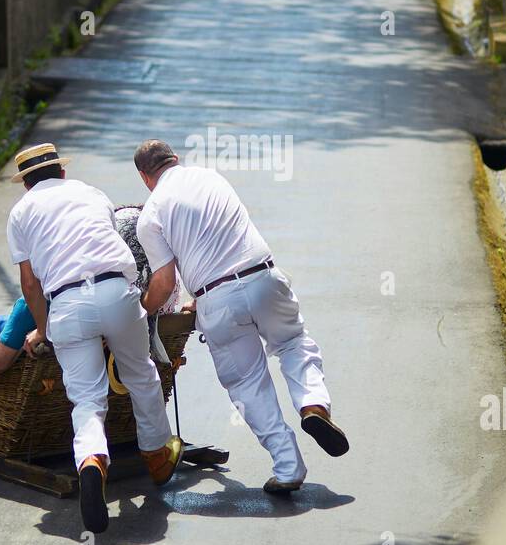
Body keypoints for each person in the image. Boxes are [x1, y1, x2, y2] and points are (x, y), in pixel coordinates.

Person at [132, 139, 349, 496]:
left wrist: (142, 310)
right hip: (263, 276)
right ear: (176, 160)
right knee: (294, 343)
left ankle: (288, 468)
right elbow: (220, 239)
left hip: (217, 300)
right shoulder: (210, 178)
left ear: (145, 176)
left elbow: (165, 281)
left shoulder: (151, 213)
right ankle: (313, 404)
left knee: (248, 384)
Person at [6, 142, 183, 534]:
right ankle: (156, 456)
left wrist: (45, 328)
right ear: (61, 172)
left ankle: (91, 460)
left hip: (67, 303)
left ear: (26, 184)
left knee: (86, 398)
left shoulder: (20, 213)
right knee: (140, 374)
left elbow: (30, 285)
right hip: (116, 292)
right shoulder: (91, 193)